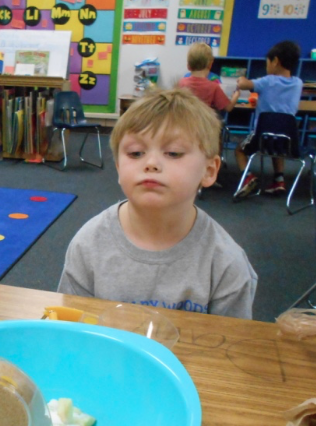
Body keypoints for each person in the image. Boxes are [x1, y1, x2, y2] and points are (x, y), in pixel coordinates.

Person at [57, 88, 257, 319]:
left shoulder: (226, 262)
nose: (151, 163)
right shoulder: (88, 244)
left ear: (209, 171)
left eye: (173, 153)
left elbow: (231, 339)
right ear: (119, 169)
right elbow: (71, 328)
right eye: (135, 153)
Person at [234, 40, 303, 197]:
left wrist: (241, 79)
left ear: (275, 61)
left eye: (267, 63)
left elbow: (245, 84)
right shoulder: (298, 84)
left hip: (261, 136)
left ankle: (248, 177)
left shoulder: (267, 81)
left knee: (239, 150)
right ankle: (279, 180)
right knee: (277, 147)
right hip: (288, 139)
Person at [178, 42, 240, 113]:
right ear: (210, 64)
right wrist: (236, 95)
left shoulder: (181, 83)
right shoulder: (214, 87)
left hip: (184, 119)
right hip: (204, 120)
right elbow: (228, 107)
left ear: (188, 66)